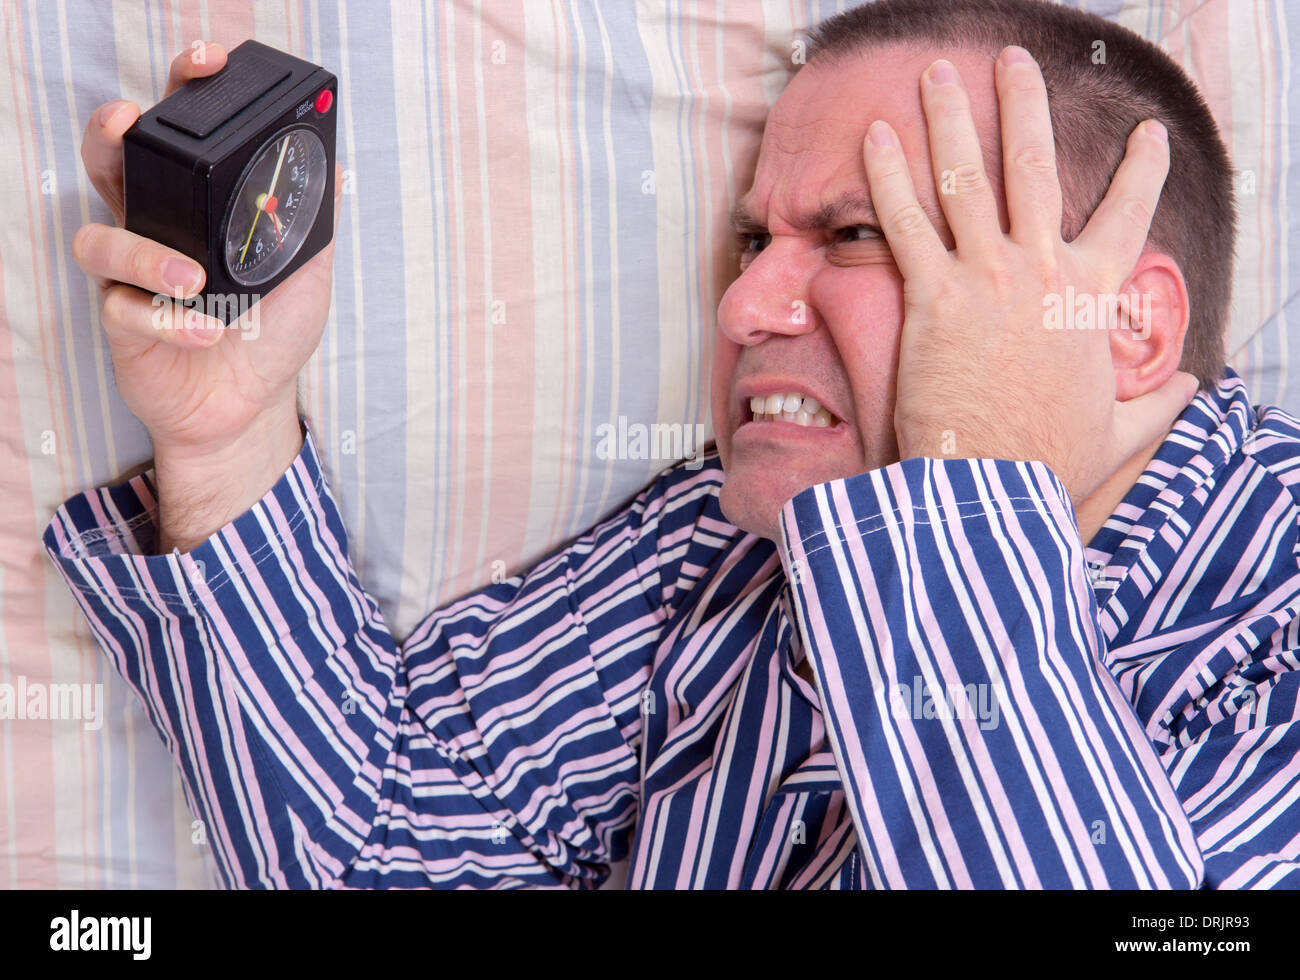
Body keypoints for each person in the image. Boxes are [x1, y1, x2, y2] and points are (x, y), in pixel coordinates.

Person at [48, 0, 1300, 888]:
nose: (744, 307)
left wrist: (968, 497)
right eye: (756, 244)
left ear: (1126, 327)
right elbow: (386, 841)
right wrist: (231, 435)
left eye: (861, 234)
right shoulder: (739, 529)